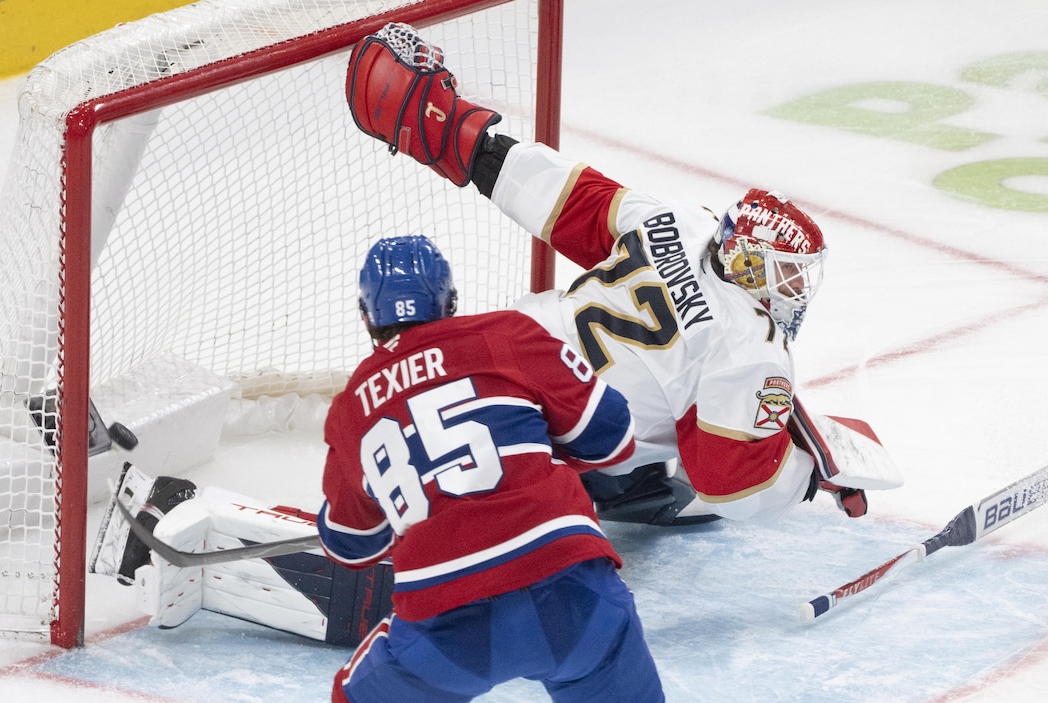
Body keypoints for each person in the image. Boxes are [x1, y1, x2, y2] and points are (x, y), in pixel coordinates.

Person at [345, 23, 879, 528]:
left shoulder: (684, 222)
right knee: (493, 503)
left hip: (505, 339)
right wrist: (808, 478)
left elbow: (567, 200)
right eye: (787, 276)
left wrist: (468, 139)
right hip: (554, 428)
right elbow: (733, 488)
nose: (794, 291)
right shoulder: (751, 348)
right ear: (751, 266)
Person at [317, 235, 662, 702]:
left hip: (449, 629)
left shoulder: (349, 408)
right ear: (451, 302)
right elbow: (615, 438)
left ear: (365, 316)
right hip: (573, 595)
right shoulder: (506, 333)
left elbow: (352, 546)